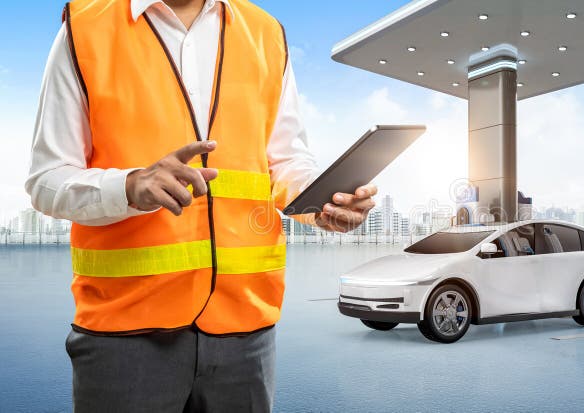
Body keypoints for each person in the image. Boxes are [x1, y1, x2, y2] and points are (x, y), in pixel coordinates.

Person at [25, 0, 376, 411]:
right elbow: (45, 181)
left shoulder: (265, 32)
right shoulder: (86, 29)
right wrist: (130, 186)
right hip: (126, 336)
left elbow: (284, 161)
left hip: (246, 332)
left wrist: (320, 201)